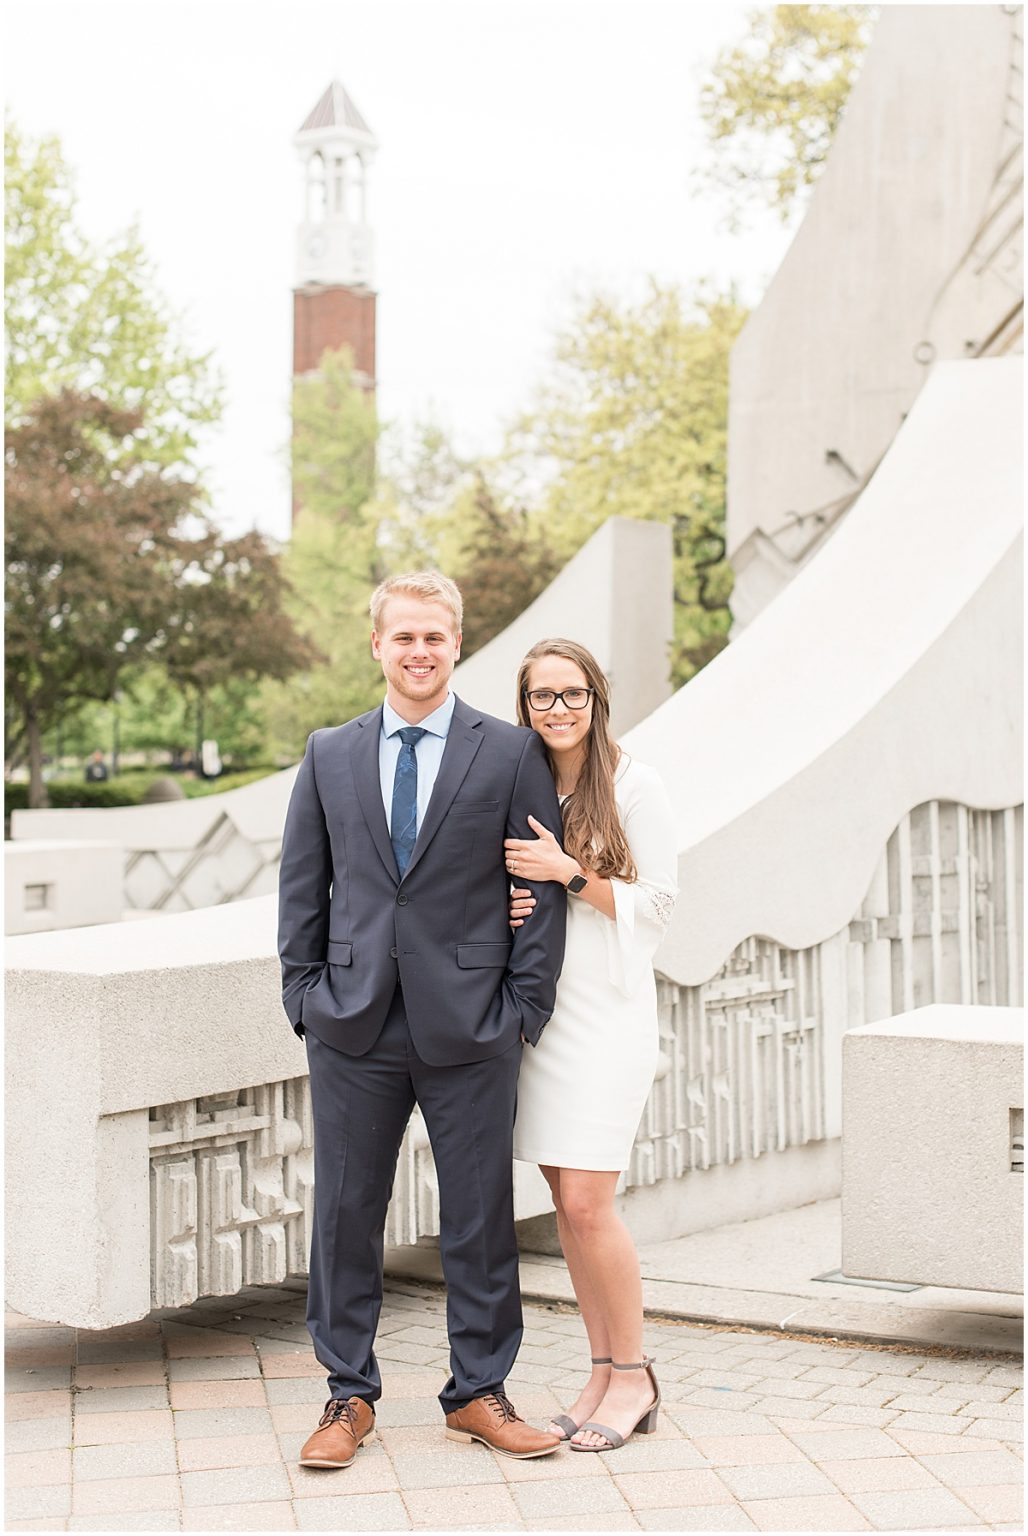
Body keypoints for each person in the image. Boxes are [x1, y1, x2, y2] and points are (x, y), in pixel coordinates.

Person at [277, 571, 568, 1472]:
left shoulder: (510, 751)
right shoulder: (329, 753)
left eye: (434, 637)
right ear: (378, 645)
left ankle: (478, 1393)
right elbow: (302, 889)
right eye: (403, 637)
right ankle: (346, 1396)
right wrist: (305, 1001)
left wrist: (523, 1008)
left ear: (456, 643)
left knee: (478, 1218)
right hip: (352, 1028)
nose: (419, 651)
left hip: (472, 1025)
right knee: (345, 1215)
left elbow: (539, 886)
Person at [503, 638, 678, 1454]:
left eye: (572, 694)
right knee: (564, 1213)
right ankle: (601, 1370)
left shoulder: (636, 785)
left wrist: (567, 873)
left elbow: (662, 905)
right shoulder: (523, 781)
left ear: (596, 699)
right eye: (543, 697)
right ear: (526, 706)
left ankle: (636, 1375)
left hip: (607, 1019)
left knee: (587, 1206)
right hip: (543, 1018)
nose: (559, 710)